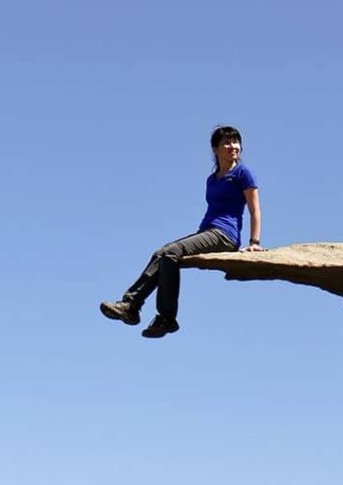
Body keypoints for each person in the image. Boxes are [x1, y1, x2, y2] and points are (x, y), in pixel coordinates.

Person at [100, 125, 261, 339]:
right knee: (162, 252)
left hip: (225, 234)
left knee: (171, 252)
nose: (233, 146)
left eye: (236, 141)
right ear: (215, 148)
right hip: (207, 231)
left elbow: (255, 209)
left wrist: (254, 241)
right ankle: (130, 306)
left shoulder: (242, 173)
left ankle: (166, 318)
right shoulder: (212, 179)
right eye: (227, 142)